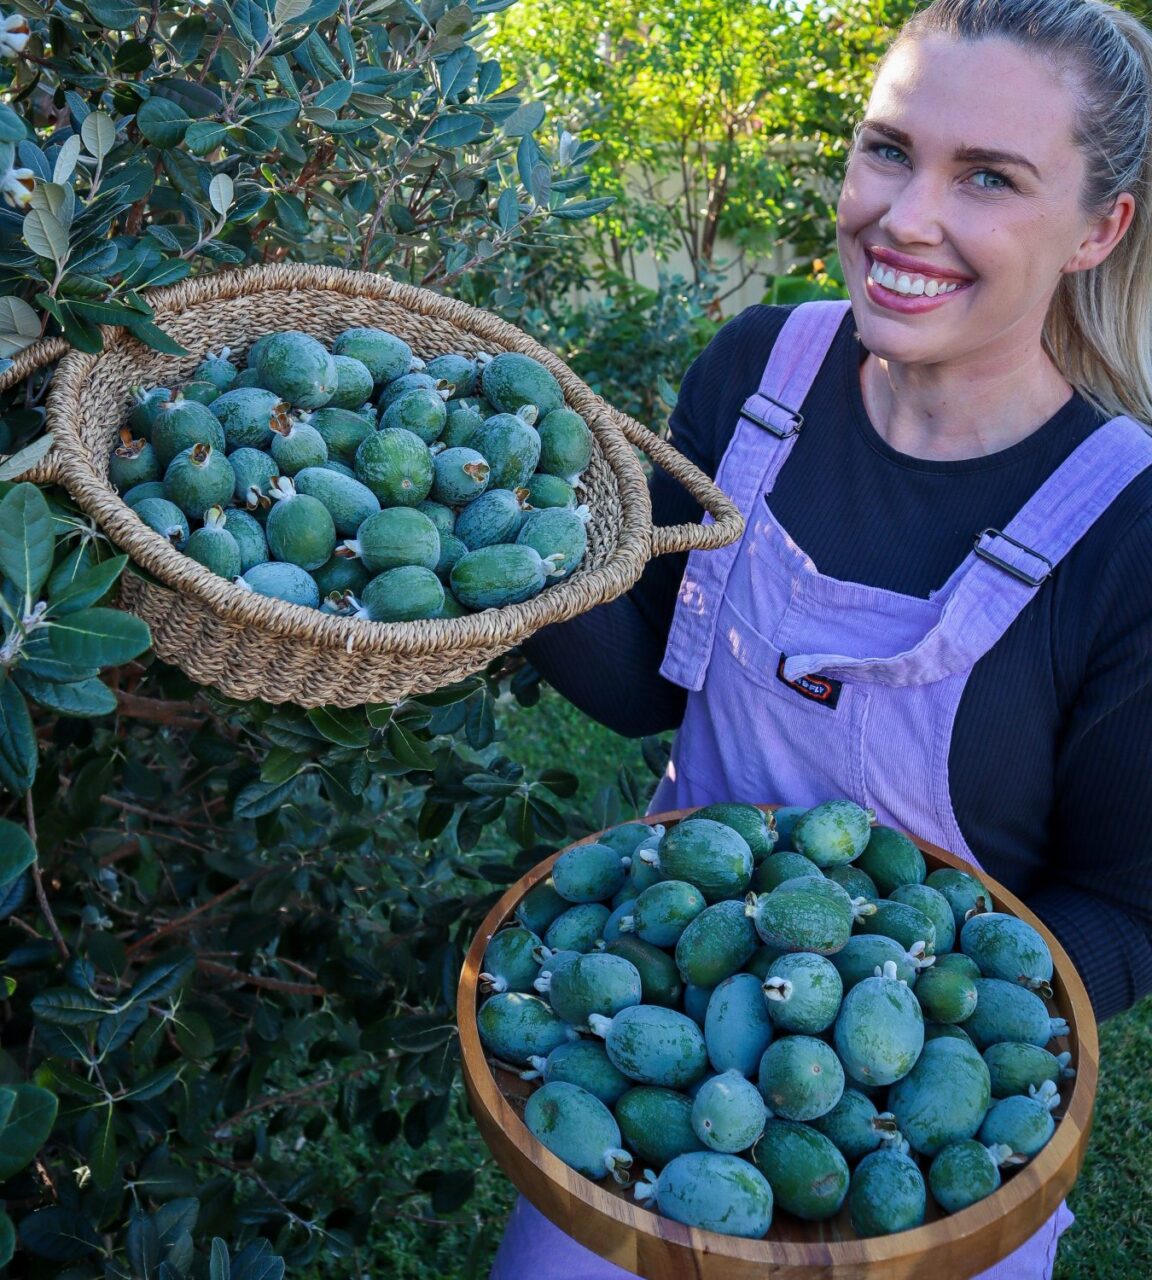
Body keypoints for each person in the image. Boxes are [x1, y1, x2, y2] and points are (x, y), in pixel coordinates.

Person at [488, 0, 1152, 1276]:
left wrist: (862, 1019)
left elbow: (1126, 907)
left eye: (989, 179)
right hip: (663, 1050)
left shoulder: (1123, 528)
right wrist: (508, 572)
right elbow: (647, 685)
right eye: (888, 148)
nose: (904, 216)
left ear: (1097, 227)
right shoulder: (760, 370)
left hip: (900, 1159)